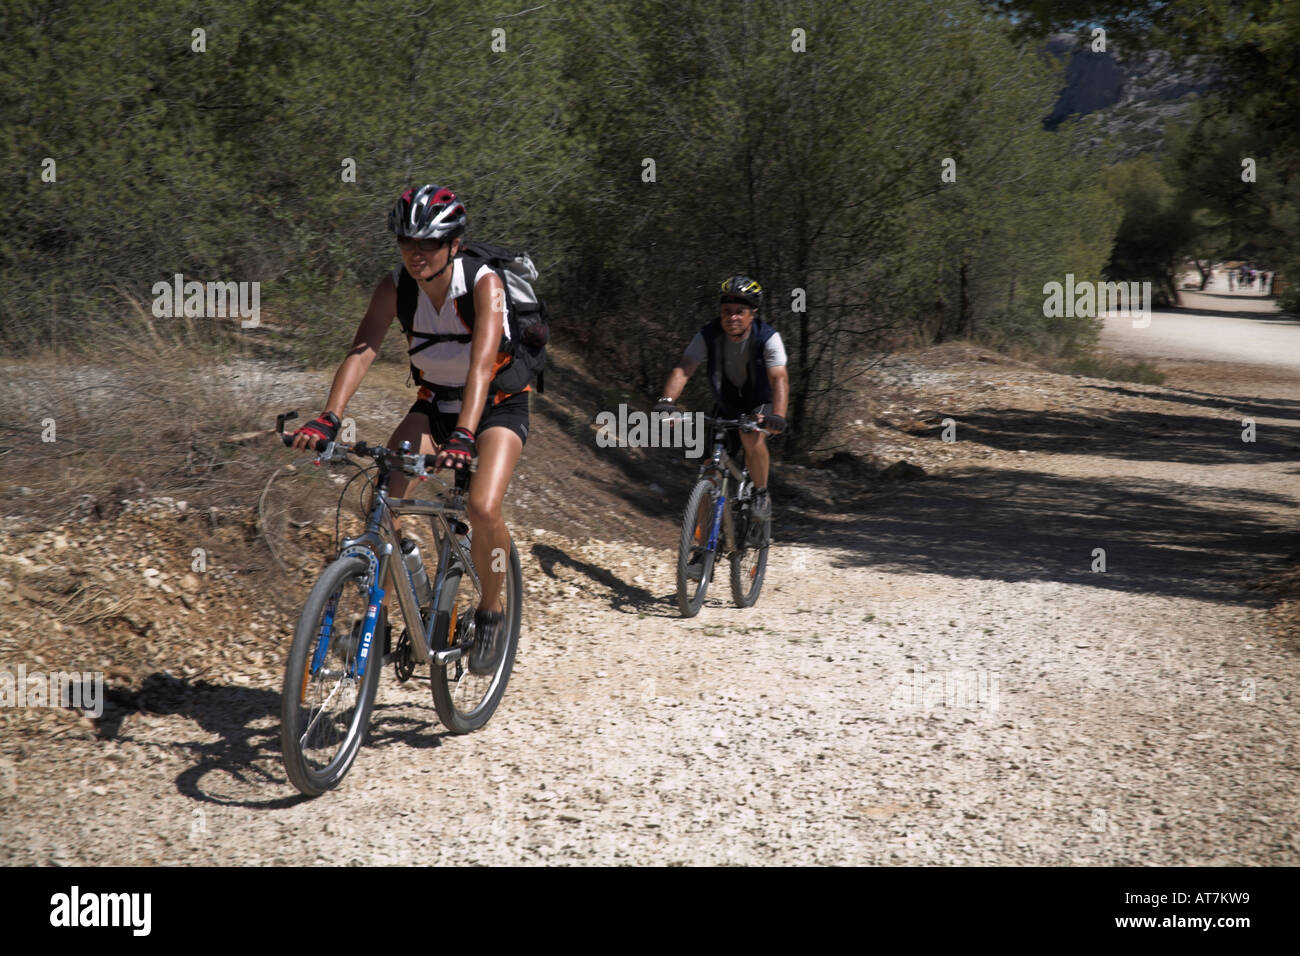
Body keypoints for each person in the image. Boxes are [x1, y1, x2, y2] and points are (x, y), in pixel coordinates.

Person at [291, 184, 530, 674]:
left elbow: (483, 366)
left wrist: (464, 435)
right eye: (406, 242)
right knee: (379, 503)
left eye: (428, 243)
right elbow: (363, 350)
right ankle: (392, 605)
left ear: (454, 246)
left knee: (483, 507)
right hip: (434, 404)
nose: (415, 253)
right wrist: (329, 415)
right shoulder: (395, 288)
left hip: (497, 408)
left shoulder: (484, 285)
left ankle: (491, 608)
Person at [655, 275, 789, 523]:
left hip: (761, 405)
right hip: (727, 405)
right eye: (727, 311)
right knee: (709, 467)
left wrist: (778, 416)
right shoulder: (708, 334)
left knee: (751, 436)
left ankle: (759, 493)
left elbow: (779, 378)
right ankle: (700, 545)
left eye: (740, 311)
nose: (732, 317)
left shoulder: (768, 337)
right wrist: (667, 402)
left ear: (753, 313)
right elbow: (685, 368)